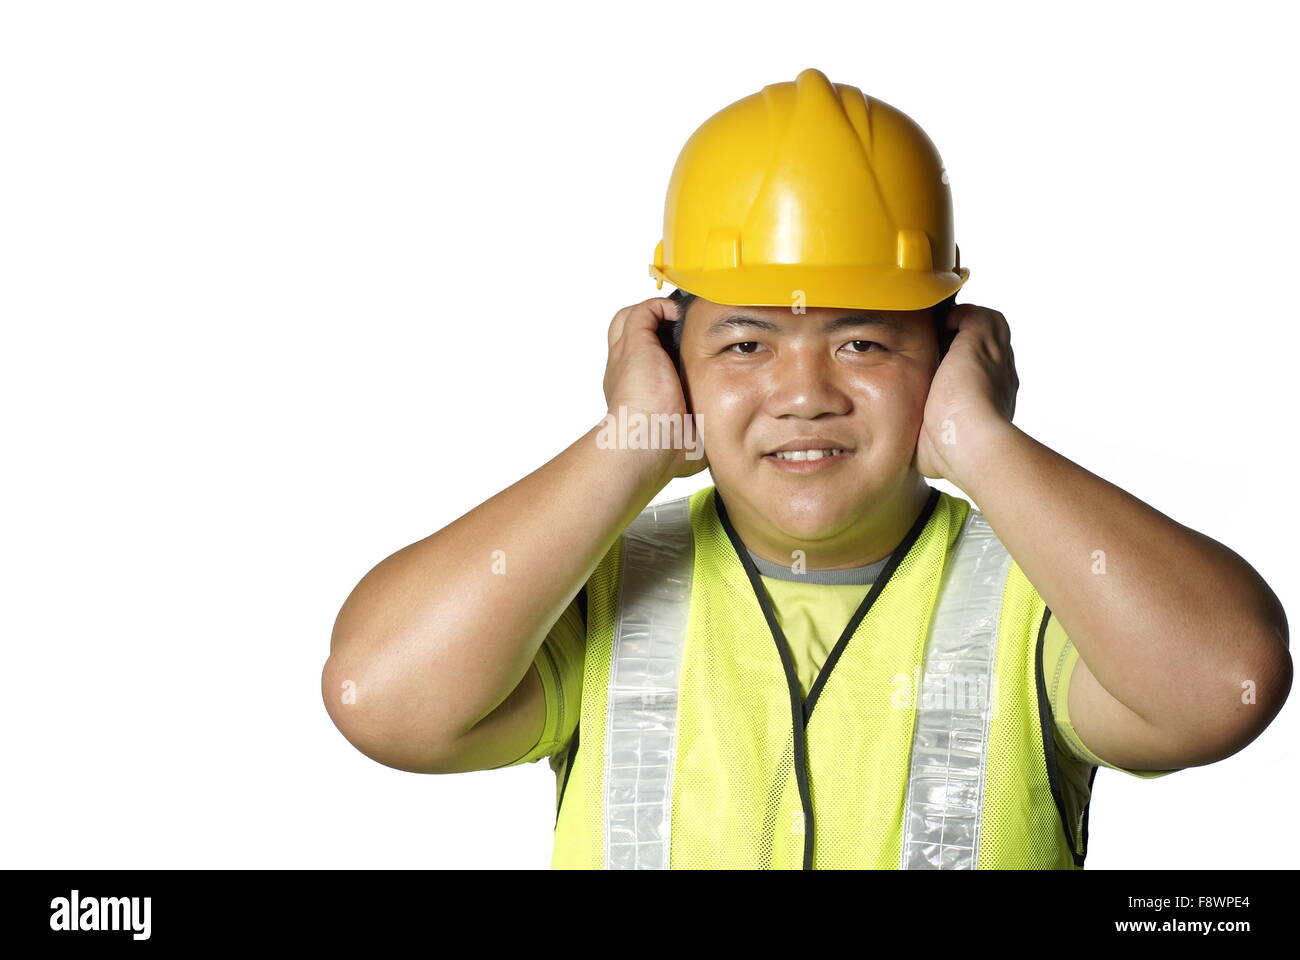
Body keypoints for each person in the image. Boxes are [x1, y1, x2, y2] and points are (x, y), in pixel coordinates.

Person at [321, 69, 1291, 869]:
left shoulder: (1043, 598)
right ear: (668, 358)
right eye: (744, 345)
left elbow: (1225, 690)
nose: (803, 393)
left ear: (950, 355)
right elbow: (379, 700)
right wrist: (627, 444)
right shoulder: (586, 581)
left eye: (863, 344)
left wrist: (986, 445)